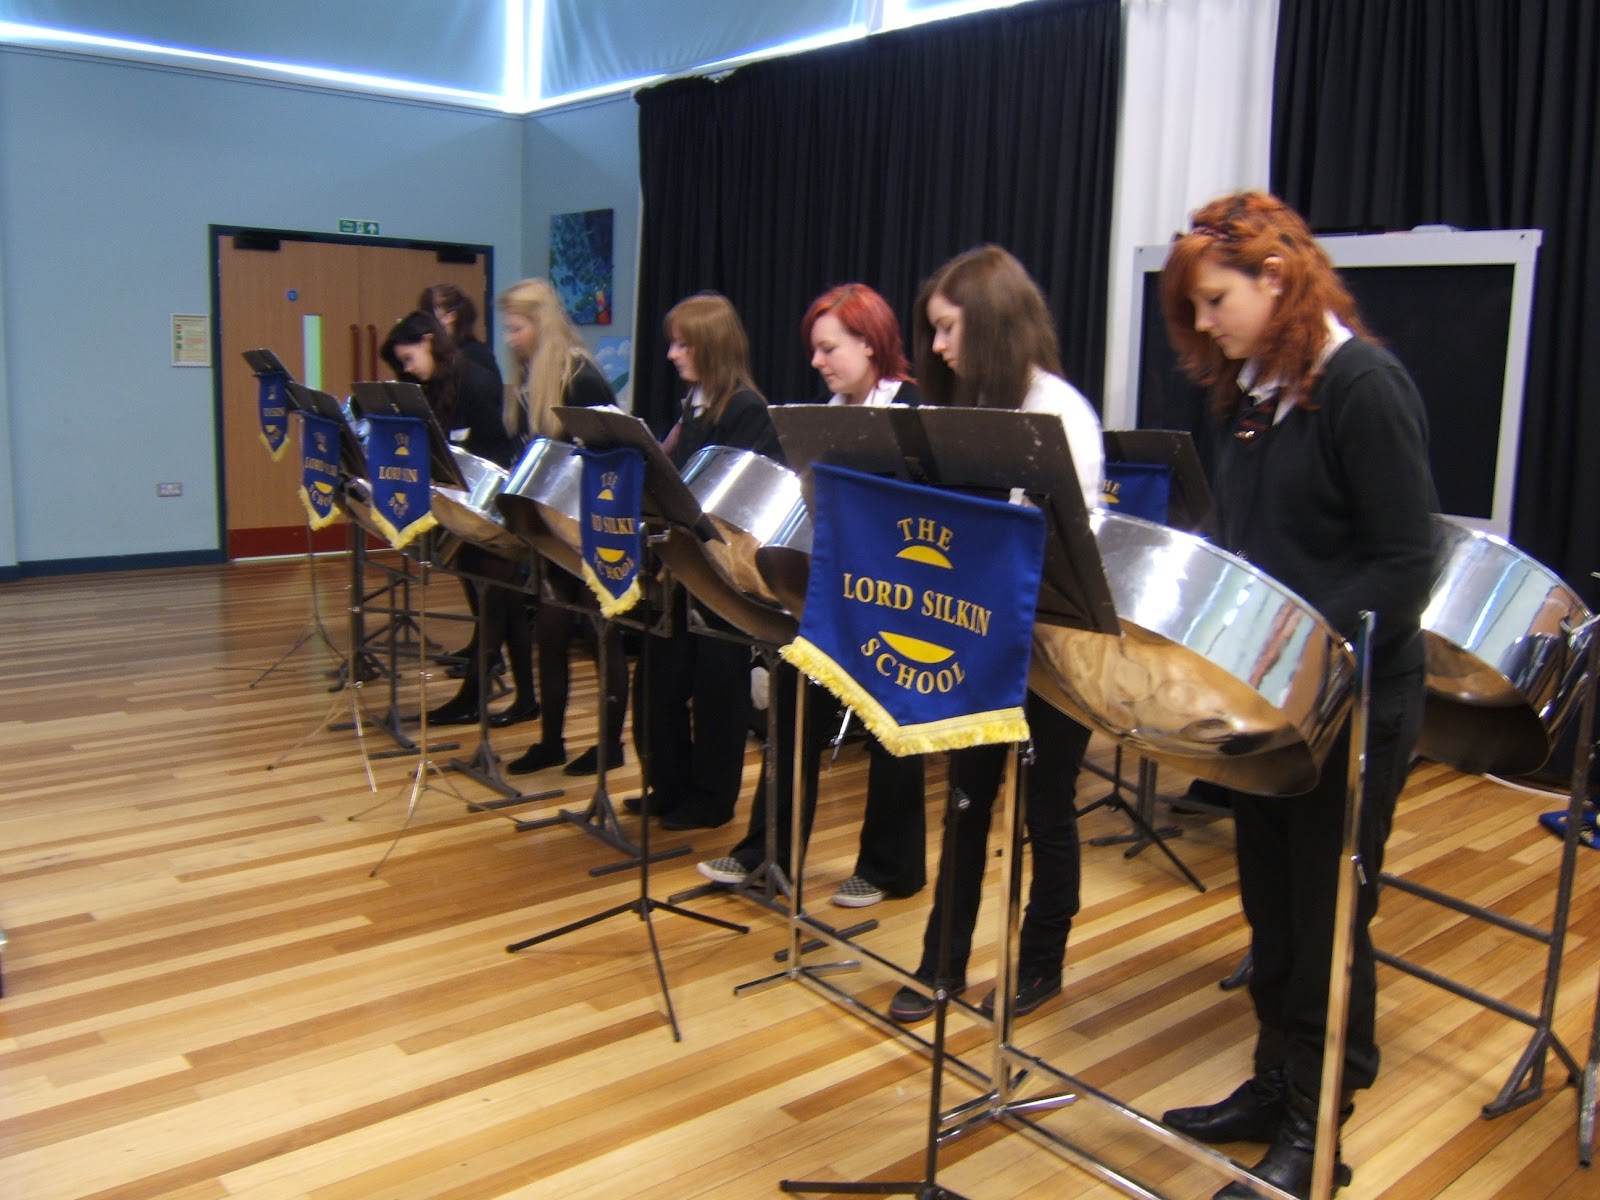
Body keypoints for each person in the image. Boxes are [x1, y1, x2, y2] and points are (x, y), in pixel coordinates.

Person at [1156, 190, 1436, 1199]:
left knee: (1326, 913)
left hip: (1351, 704)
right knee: (1270, 904)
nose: (1204, 328)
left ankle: (1318, 1126)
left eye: (1214, 301)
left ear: (1277, 277)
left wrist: (1296, 652)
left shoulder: (1363, 386)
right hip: (1273, 701)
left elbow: (1409, 564)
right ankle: (1274, 1080)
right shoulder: (1250, 397)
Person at [887, 245, 1103, 1024]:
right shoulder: (966, 412)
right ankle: (941, 963)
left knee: (1047, 810)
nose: (937, 348)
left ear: (991, 324)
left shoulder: (1059, 413)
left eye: (948, 330)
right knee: (969, 804)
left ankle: (1040, 963)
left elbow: (1073, 546)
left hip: (1053, 651)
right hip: (982, 641)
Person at [695, 283, 927, 907]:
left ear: (870, 342)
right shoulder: (829, 411)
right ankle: (766, 852)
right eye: (815, 350)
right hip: (832, 590)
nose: (818, 361)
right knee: (793, 719)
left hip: (896, 597)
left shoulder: (914, 408)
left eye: (829, 348)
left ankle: (889, 869)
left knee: (891, 733)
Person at [627, 293, 780, 830]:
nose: (671, 353)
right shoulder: (695, 403)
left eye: (683, 342)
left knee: (718, 686)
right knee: (659, 680)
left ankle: (712, 799)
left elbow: (733, 499)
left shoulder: (744, 409)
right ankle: (668, 784)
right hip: (682, 562)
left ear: (711, 346)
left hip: (721, 569)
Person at [490, 279, 631, 778]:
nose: (511, 338)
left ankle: (611, 745)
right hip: (554, 529)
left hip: (591, 528)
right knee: (549, 631)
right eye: (507, 328)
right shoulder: (533, 378)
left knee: (600, 634)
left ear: (542, 324)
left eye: (518, 327)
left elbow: (612, 455)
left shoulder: (580, 378)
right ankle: (551, 740)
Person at [379, 311, 535, 729]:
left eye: (410, 358)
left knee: (496, 602)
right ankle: (526, 699)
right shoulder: (437, 385)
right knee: (505, 605)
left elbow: (494, 454)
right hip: (464, 505)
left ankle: (474, 697)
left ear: (430, 340)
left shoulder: (476, 383)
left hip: (493, 507)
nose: (408, 369)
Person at [417, 283, 506, 681]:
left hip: (483, 473)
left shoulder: (474, 357)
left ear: (455, 316)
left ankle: (490, 653)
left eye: (439, 314)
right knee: (466, 566)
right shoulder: (451, 360)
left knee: (482, 568)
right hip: (459, 472)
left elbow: (485, 416)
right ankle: (481, 644)